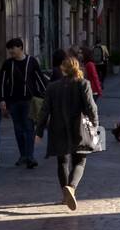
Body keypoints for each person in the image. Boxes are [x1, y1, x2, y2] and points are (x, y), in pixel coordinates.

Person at [35, 53, 99, 212]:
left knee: (62, 161)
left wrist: (39, 131)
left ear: (62, 69)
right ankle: (71, 187)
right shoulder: (83, 84)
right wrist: (95, 126)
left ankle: (65, 195)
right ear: (78, 68)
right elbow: (91, 108)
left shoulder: (52, 87)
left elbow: (44, 110)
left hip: (57, 127)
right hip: (79, 127)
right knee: (80, 161)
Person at [0, 37, 47, 168]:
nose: (10, 51)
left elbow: (40, 79)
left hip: (29, 101)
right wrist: (3, 99)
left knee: (28, 128)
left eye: (12, 48)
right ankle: (23, 155)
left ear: (20, 47)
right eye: (9, 49)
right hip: (13, 101)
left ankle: (30, 156)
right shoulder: (8, 64)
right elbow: (3, 83)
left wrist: (47, 96)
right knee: (18, 129)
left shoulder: (31, 61)